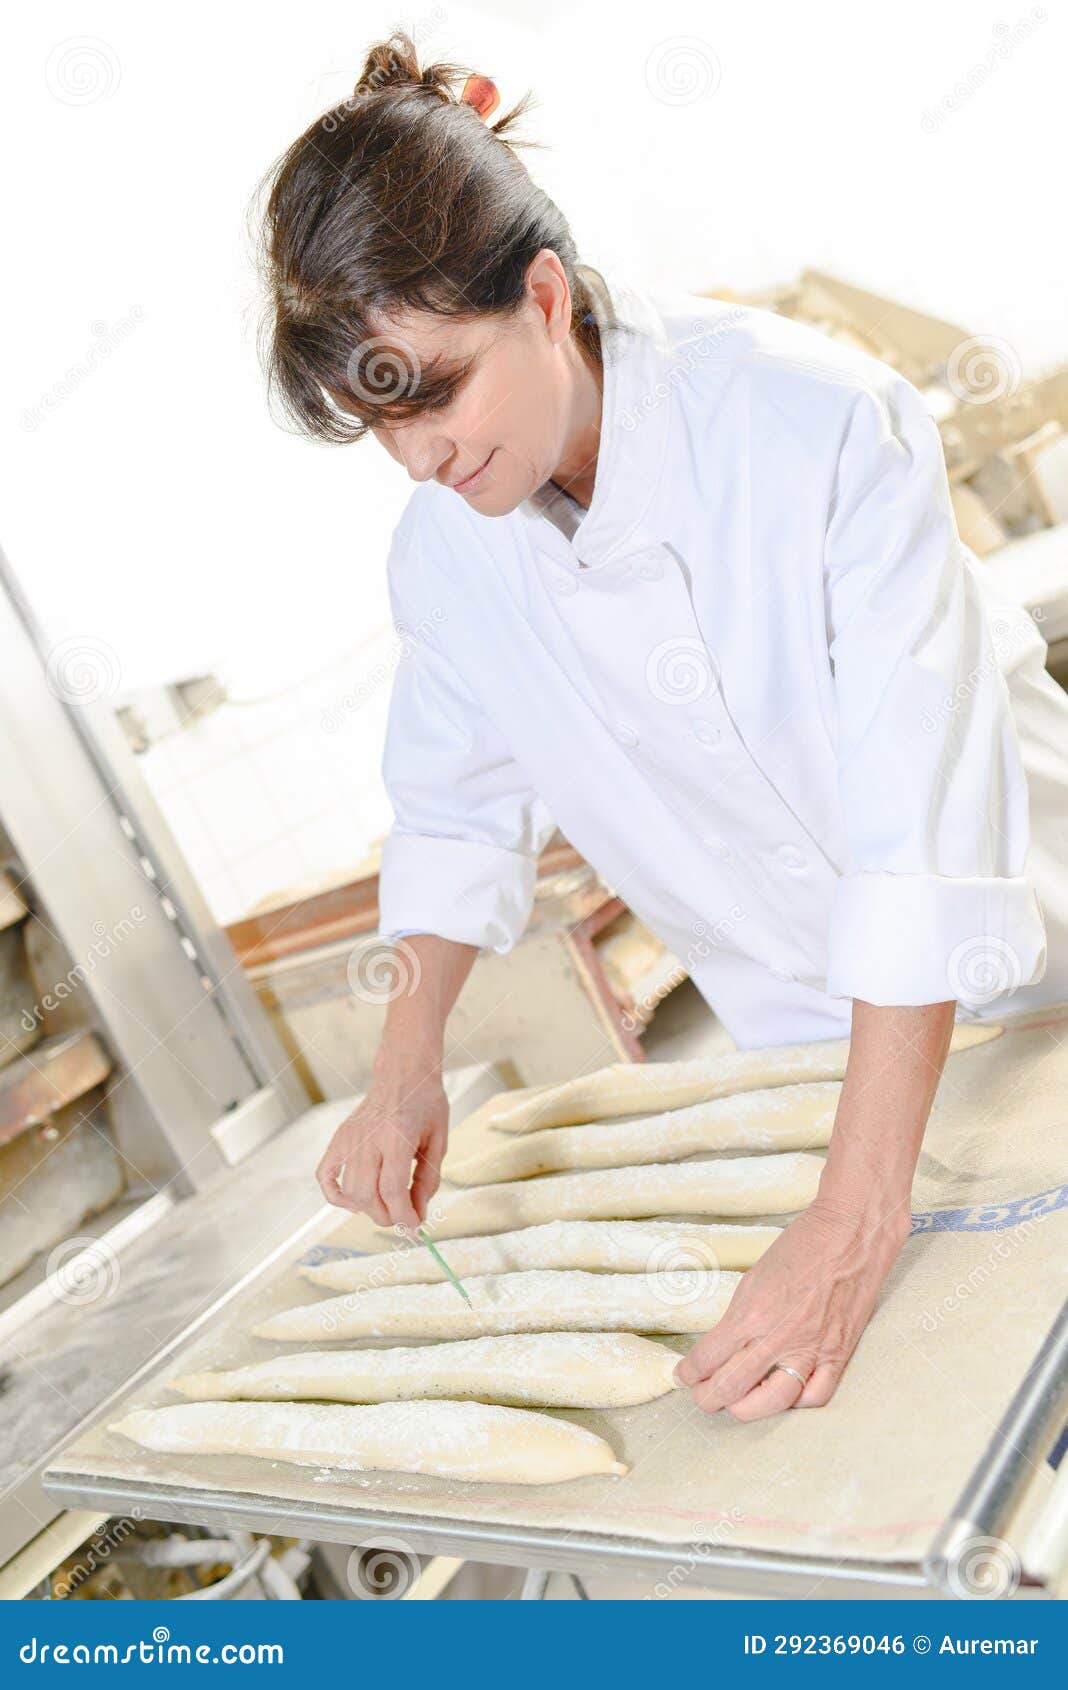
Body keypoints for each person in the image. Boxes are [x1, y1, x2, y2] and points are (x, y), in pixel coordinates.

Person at [255, 31, 1068, 1421]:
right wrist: (403, 1075)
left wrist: (852, 1222)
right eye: (376, 427)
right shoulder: (448, 557)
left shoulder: (810, 424)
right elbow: (454, 815)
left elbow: (921, 846)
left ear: (546, 296)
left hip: (1040, 1003)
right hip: (817, 1077)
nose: (422, 457)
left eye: (438, 389)